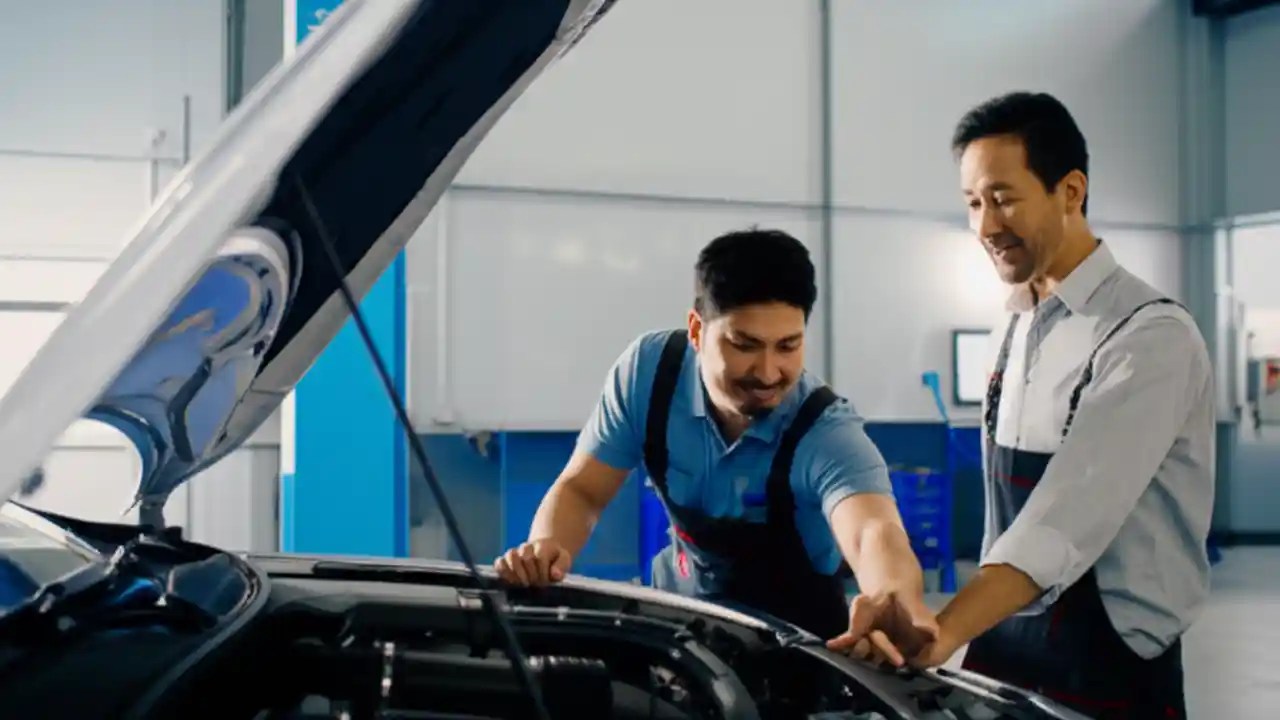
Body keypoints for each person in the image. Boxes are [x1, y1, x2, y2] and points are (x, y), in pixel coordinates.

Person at [833, 91, 1214, 719]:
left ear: (1070, 192)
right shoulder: (1016, 326)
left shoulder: (1149, 337)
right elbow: (1005, 526)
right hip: (1006, 644)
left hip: (1111, 666)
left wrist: (944, 628)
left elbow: (1061, 521)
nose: (986, 226)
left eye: (1004, 198)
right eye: (973, 203)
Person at [494, 227, 935, 660]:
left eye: (788, 346)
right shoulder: (651, 376)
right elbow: (583, 489)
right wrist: (548, 547)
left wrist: (892, 595)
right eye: (744, 345)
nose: (767, 372)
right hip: (679, 621)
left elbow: (872, 530)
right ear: (696, 329)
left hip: (798, 645)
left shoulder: (824, 430)